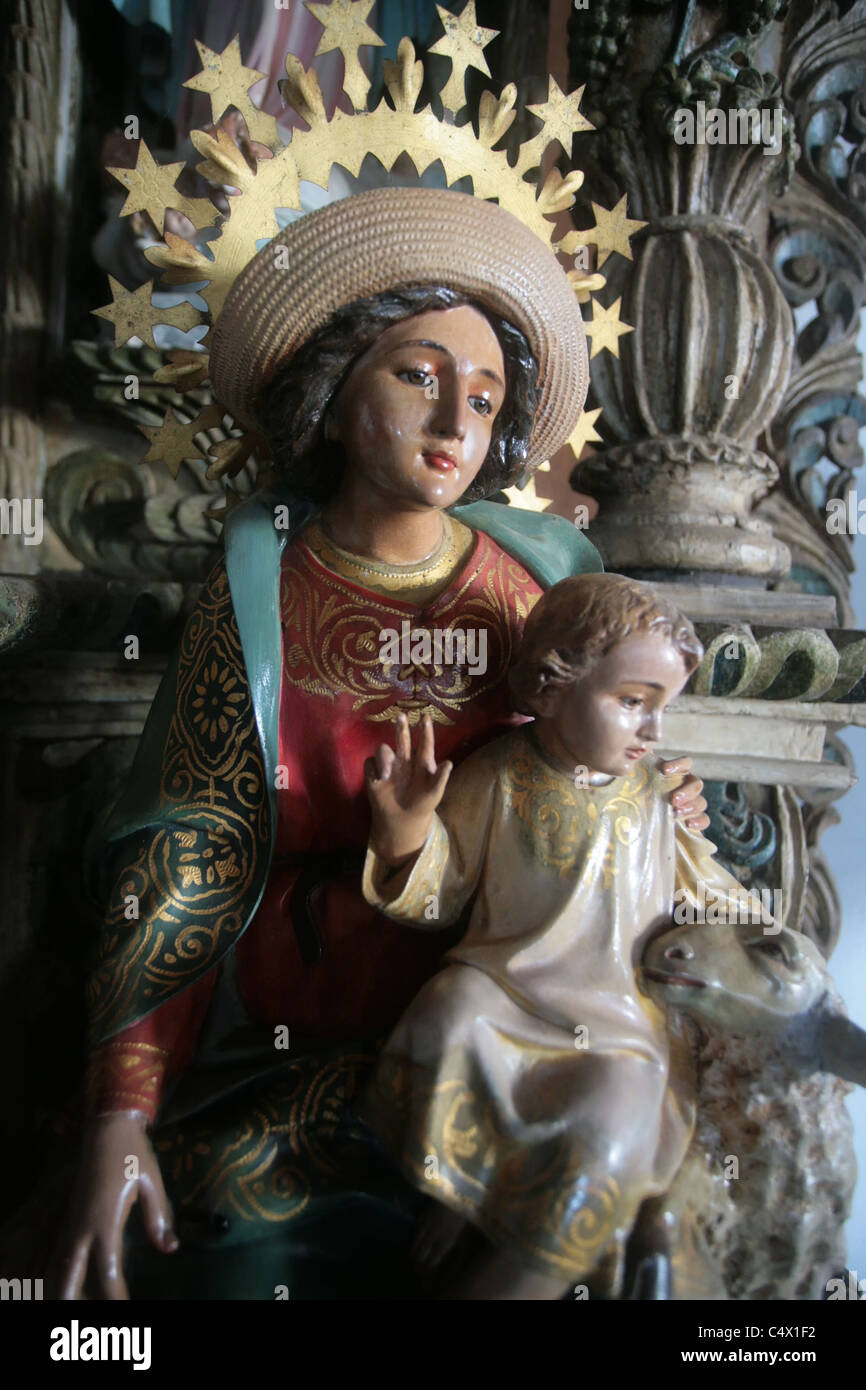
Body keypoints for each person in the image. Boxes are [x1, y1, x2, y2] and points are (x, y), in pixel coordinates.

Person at [54, 188, 709, 1301]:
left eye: (484, 395)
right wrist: (121, 1110)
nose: (457, 424)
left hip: (545, 1038)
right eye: (417, 377)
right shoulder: (259, 598)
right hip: (317, 1055)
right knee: (204, 1257)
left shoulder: (542, 579)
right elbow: (189, 856)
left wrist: (652, 797)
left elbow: (609, 757)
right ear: (333, 388)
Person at [360, 573, 764, 1300]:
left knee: (614, 1116)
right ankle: (470, 1194)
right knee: (451, 1010)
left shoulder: (659, 800)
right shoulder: (498, 777)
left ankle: (528, 1268)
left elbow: (708, 894)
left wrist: (760, 942)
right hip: (507, 996)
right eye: (633, 702)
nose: (653, 731)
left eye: (663, 709)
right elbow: (441, 892)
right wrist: (405, 838)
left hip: (617, 1027)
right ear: (550, 687)